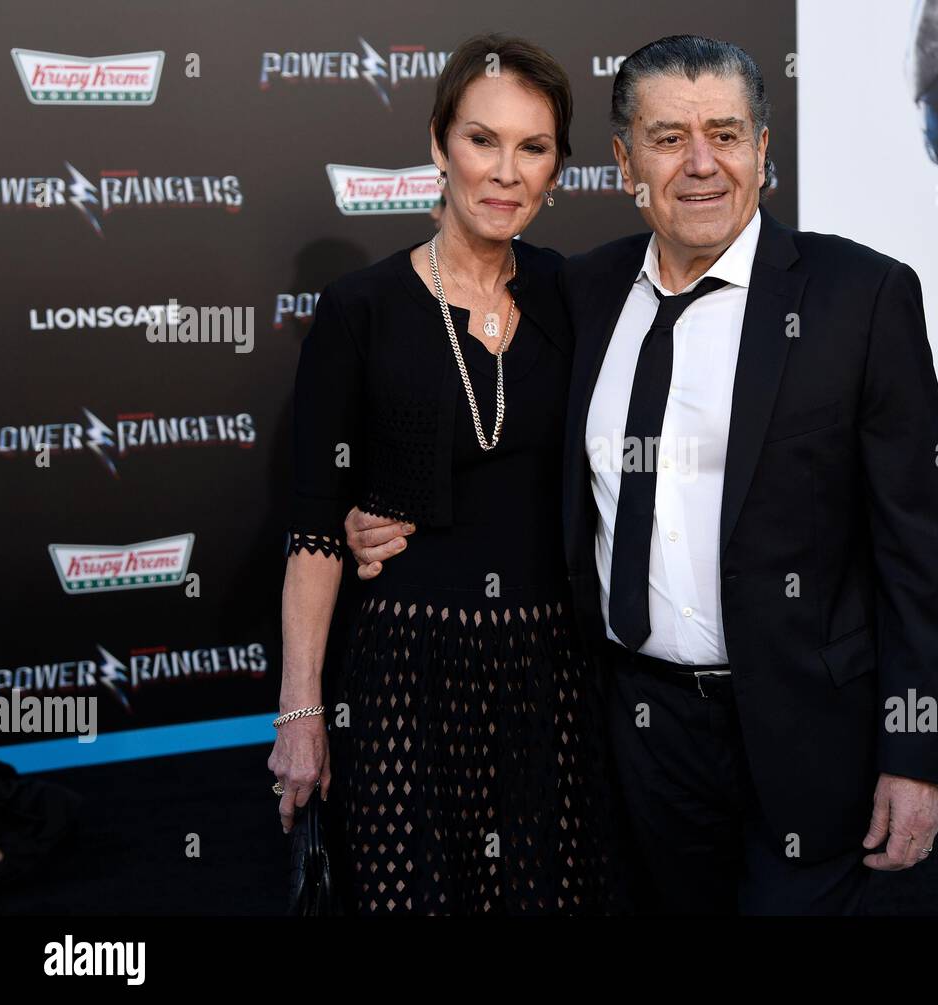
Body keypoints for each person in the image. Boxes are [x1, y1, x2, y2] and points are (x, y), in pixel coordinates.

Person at [348, 34, 938, 915]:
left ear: (764, 148)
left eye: (726, 132)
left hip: (811, 730)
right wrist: (374, 511)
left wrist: (919, 753)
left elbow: (920, 552)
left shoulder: (859, 298)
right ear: (623, 159)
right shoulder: (581, 293)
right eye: (669, 137)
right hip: (636, 734)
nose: (701, 163)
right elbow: (492, 430)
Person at [269, 32, 622, 915]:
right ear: (438, 144)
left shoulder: (575, 296)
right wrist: (300, 714)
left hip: (553, 683)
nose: (505, 172)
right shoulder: (363, 309)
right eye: (482, 140)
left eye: (533, 148)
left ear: (557, 170)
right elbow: (316, 527)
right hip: (403, 679)